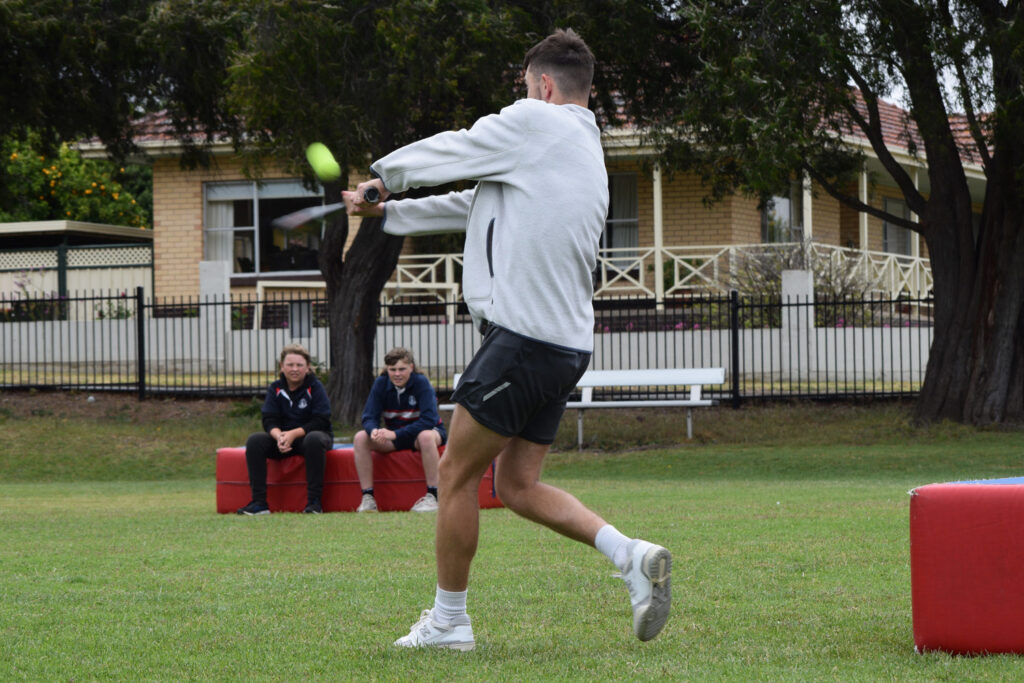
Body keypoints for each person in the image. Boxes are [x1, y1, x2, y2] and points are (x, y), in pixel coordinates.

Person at [343, 28, 671, 650]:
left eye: (525, 88)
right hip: (565, 347)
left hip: (520, 339)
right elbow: (479, 203)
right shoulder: (578, 150)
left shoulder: (534, 124)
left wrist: (383, 177)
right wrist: (388, 214)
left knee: (456, 475)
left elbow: (457, 148)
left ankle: (449, 622)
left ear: (543, 87)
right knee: (517, 486)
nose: (521, 98)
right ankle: (630, 555)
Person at [237, 344, 333, 515]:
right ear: (282, 366)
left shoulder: (315, 387)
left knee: (314, 439)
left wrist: (293, 434)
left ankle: (314, 503)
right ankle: (259, 504)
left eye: (299, 365)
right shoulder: (275, 388)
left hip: (309, 438)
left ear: (308, 367)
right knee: (255, 441)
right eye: (290, 365)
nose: (294, 369)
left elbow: (321, 420)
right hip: (283, 440)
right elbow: (269, 419)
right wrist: (279, 437)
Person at [353, 347, 447, 513]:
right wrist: (373, 431)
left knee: (425, 436)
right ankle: (368, 498)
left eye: (402, 369)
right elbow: (368, 416)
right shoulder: (381, 383)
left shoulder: (421, 382)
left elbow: (429, 420)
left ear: (411, 367)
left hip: (424, 434)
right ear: (386, 369)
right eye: (393, 369)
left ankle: (434, 495)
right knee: (360, 437)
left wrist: (395, 434)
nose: (397, 374)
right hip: (396, 436)